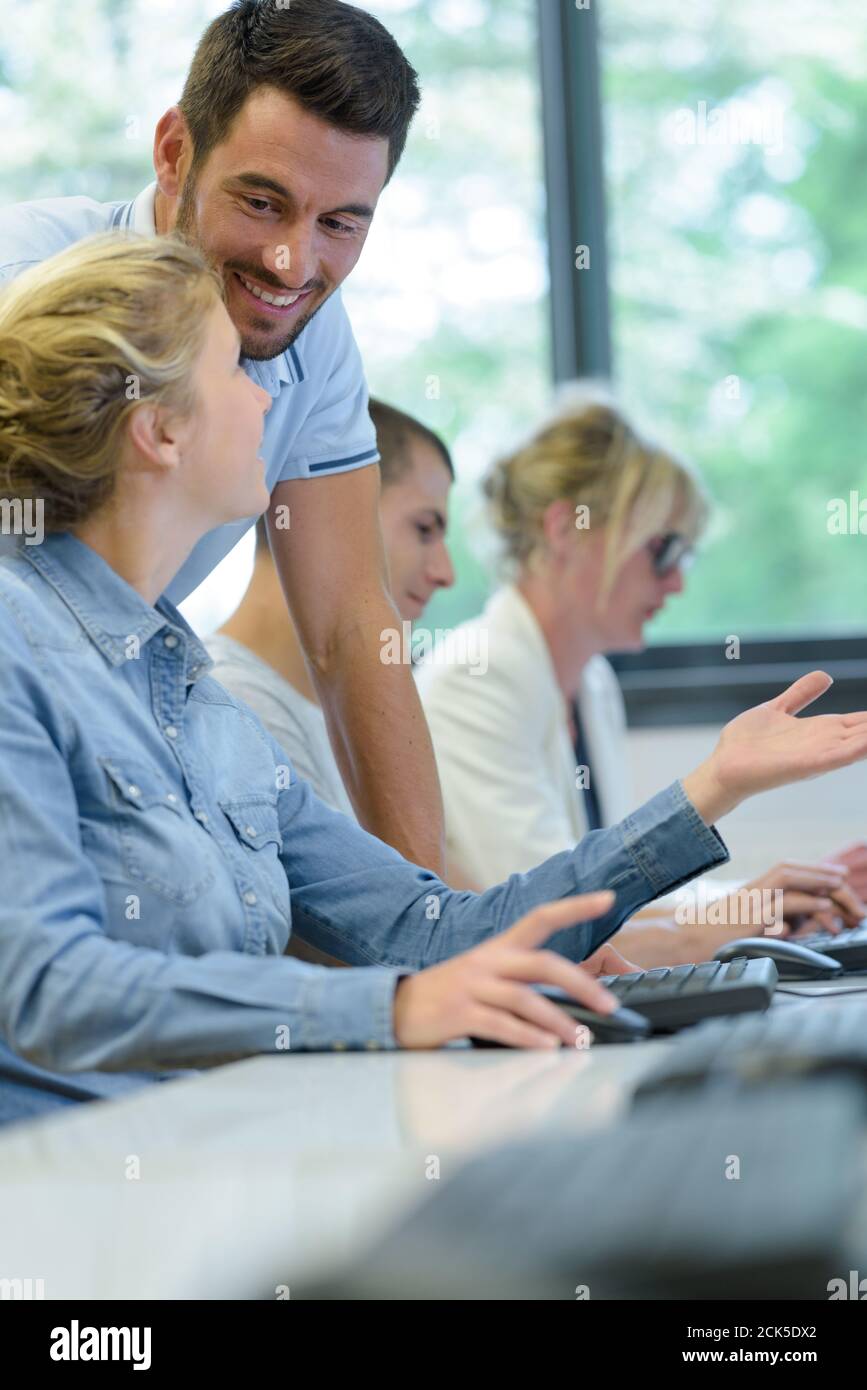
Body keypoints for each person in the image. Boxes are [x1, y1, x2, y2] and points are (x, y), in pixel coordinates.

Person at [2, 235, 866, 1129]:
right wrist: (392, 1008)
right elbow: (47, 988)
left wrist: (710, 788)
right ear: (160, 428)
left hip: (209, 1148)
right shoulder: (14, 642)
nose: (265, 401)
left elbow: (432, 932)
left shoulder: (189, 688)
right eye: (234, 370)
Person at [0, 0, 447, 874]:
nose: (293, 264)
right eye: (261, 200)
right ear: (174, 154)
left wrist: (434, 930)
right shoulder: (26, 287)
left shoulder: (313, 335)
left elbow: (353, 625)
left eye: (340, 223)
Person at [419, 387, 867, 964]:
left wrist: (762, 901)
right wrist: (730, 920)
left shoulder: (592, 681)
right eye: (663, 550)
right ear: (565, 528)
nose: (676, 583)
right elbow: (553, 920)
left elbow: (610, 891)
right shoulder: (475, 678)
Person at [208, 400, 455, 818]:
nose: (445, 573)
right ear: (338, 506)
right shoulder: (233, 706)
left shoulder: (330, 711)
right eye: (423, 529)